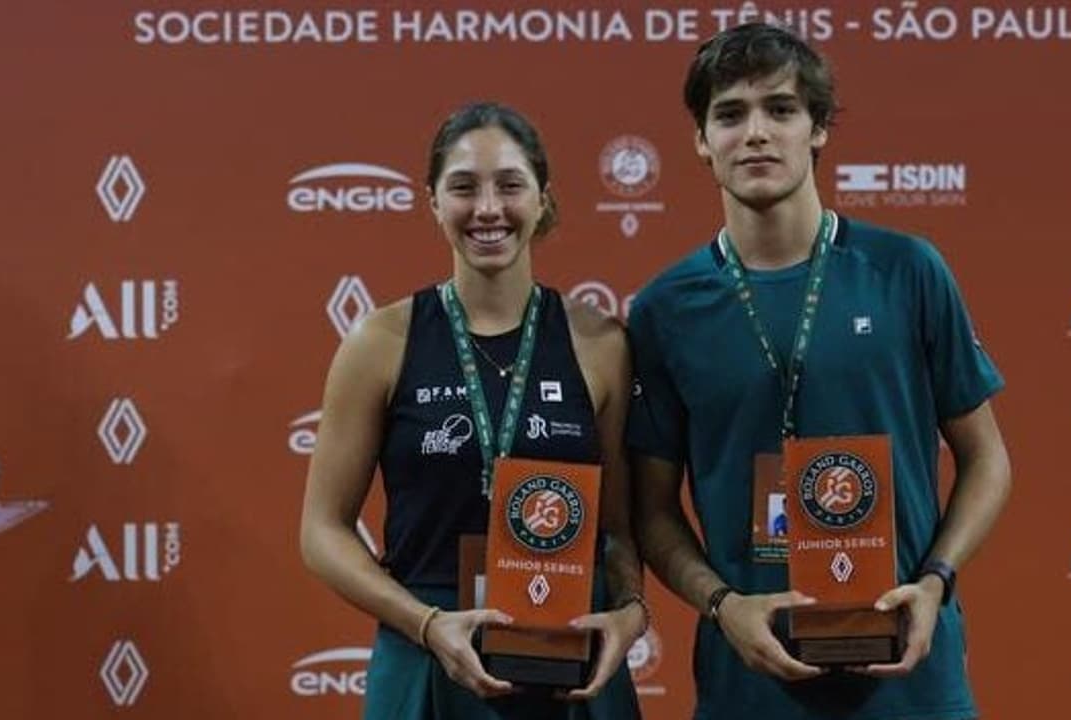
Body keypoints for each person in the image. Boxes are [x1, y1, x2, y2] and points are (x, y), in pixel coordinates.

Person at [627, 23, 1012, 719]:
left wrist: (934, 584)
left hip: (911, 682)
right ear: (700, 140)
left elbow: (987, 459)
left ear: (819, 129)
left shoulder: (907, 270)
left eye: (780, 109)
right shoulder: (664, 309)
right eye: (730, 114)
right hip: (751, 685)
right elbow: (651, 510)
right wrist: (721, 603)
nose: (756, 134)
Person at [301, 102, 645, 720]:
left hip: (572, 659)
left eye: (510, 185)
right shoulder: (380, 342)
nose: (488, 208)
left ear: (542, 199)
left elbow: (617, 528)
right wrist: (427, 624)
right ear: (432, 201)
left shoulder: (601, 344)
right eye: (463, 187)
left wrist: (630, 610)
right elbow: (322, 532)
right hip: (427, 654)